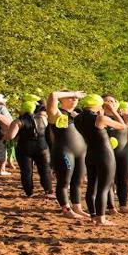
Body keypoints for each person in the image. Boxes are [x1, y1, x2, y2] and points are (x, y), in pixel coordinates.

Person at [76, 94, 128, 225]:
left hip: (90, 154)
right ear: (98, 105)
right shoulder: (100, 118)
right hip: (105, 155)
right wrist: (114, 112)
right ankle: (101, 218)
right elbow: (123, 127)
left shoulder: (78, 118)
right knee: (104, 188)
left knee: (91, 187)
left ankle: (93, 215)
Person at [45, 90, 90, 218]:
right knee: (64, 182)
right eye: (70, 98)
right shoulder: (56, 113)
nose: (74, 99)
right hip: (64, 151)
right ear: (61, 100)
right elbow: (53, 94)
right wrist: (74, 92)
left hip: (81, 152)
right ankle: (66, 209)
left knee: (77, 182)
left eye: (75, 98)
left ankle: (77, 207)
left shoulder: (78, 114)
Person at [1, 99, 53, 197]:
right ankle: (48, 191)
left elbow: (11, 136)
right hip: (42, 147)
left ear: (22, 109)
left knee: (26, 171)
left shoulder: (18, 121)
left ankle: (29, 193)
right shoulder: (43, 118)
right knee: (45, 170)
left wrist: (4, 135)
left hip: (24, 149)